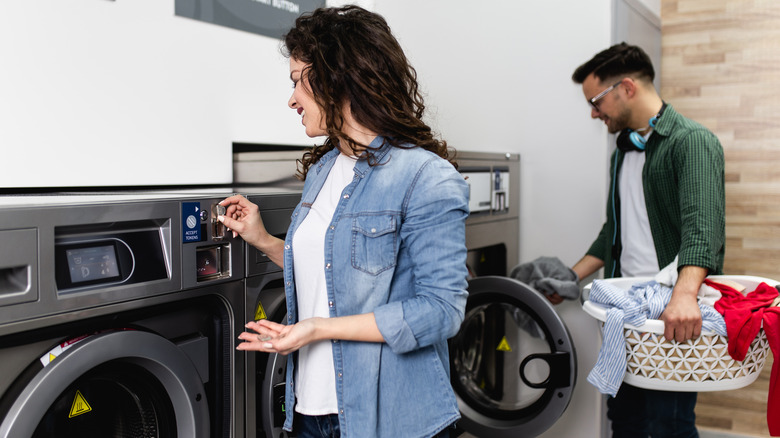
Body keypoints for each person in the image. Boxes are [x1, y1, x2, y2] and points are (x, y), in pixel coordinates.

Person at [217, 6, 469, 438]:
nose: (292, 98)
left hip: (391, 419)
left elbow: (441, 312)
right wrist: (262, 240)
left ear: (338, 77)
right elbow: (335, 274)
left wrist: (317, 330)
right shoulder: (323, 170)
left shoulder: (426, 177)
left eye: (299, 79)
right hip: (308, 411)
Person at [570, 43, 726, 437]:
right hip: (625, 314)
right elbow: (615, 231)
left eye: (596, 101)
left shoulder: (691, 142)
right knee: (625, 421)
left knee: (667, 426)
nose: (593, 113)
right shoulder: (622, 152)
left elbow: (701, 231)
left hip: (671, 315)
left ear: (626, 87)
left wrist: (685, 296)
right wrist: (570, 277)